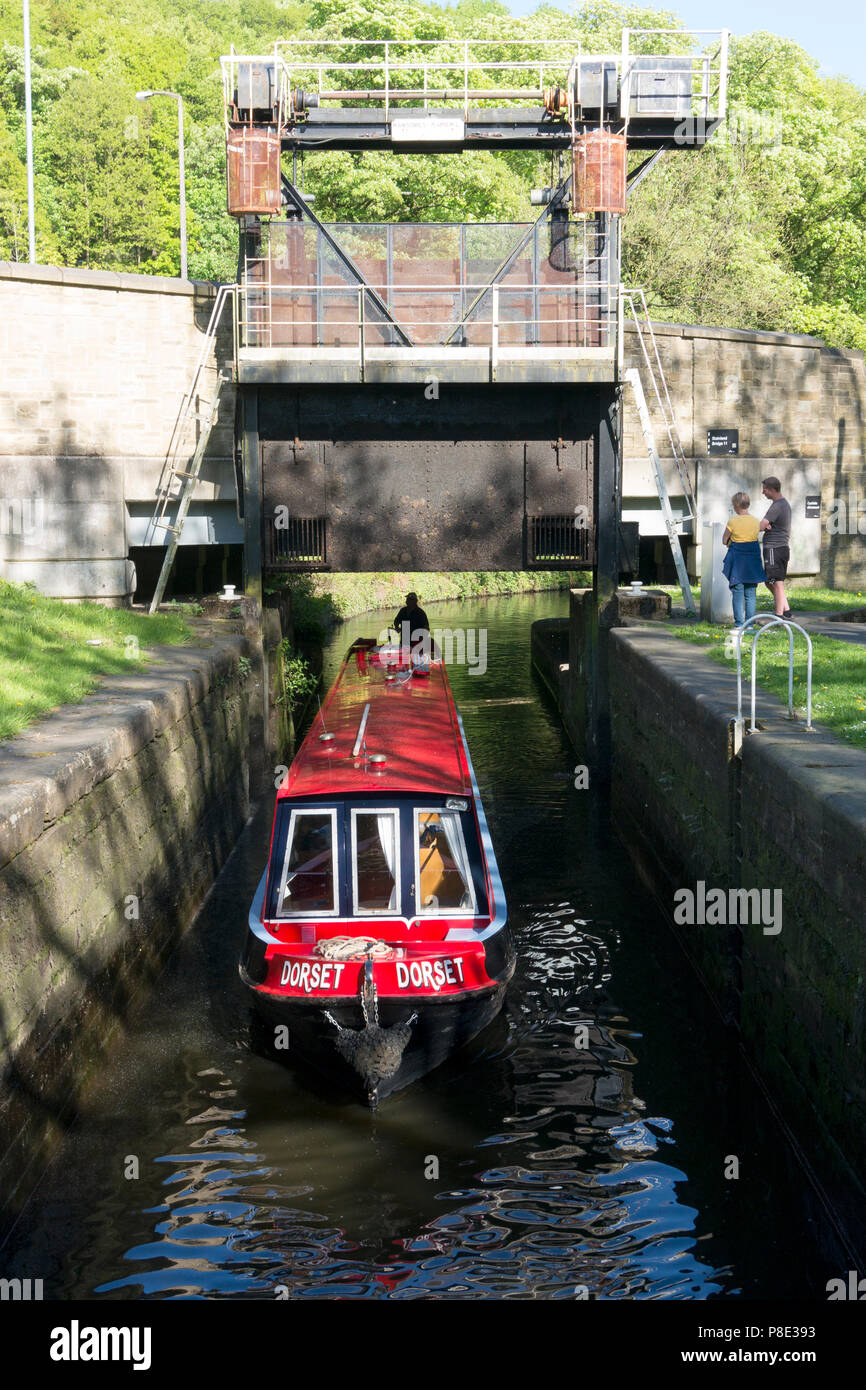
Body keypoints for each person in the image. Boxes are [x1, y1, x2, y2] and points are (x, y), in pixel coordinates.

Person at [722, 491, 766, 628]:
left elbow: (724, 540)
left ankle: (739, 624)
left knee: (738, 593)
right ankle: (750, 625)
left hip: (738, 561)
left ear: (736, 505)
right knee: (751, 594)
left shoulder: (733, 521)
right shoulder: (755, 521)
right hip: (752, 560)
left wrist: (730, 542)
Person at [759, 477, 792, 618]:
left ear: (772, 490)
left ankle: (778, 616)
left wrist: (765, 525)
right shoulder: (783, 504)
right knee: (769, 581)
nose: (763, 492)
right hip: (780, 548)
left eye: (765, 489)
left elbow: (761, 526)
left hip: (774, 549)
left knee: (776, 582)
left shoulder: (777, 506)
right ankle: (786, 610)